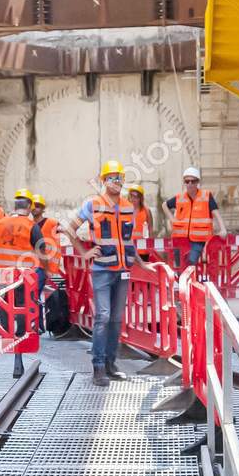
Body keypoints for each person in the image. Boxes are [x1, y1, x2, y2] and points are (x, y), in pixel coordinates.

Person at [75, 161, 145, 386]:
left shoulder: (128, 207)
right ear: (104, 181)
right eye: (111, 177)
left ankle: (110, 364)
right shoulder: (93, 204)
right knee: (103, 316)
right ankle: (98, 366)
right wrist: (84, 253)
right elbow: (69, 228)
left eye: (119, 177)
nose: (116, 181)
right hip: (102, 270)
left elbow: (128, 241)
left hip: (122, 270)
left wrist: (143, 264)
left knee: (116, 319)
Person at [0, 189, 44, 378]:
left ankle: (8, 338)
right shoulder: (32, 226)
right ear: (29, 207)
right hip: (22, 278)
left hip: (3, 276)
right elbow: (41, 251)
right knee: (21, 310)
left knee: (6, 309)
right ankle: (18, 349)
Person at [165, 166, 225, 270]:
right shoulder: (180, 198)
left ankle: (190, 279)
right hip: (180, 239)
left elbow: (216, 213)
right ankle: (183, 280)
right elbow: (164, 205)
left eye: (192, 181)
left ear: (197, 182)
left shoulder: (206, 196)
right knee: (180, 266)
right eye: (187, 181)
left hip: (198, 240)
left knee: (191, 262)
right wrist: (172, 219)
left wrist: (223, 229)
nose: (189, 184)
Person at [127, 183, 153, 256]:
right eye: (131, 196)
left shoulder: (146, 211)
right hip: (129, 248)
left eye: (136, 196)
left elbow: (150, 229)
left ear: (140, 198)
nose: (133, 199)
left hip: (143, 248)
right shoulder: (125, 210)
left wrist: (151, 247)